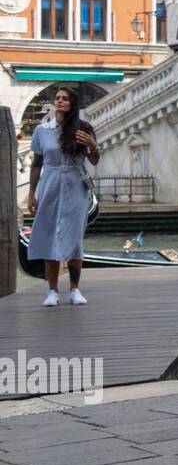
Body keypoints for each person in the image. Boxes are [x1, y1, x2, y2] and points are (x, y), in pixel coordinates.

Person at [26, 85, 99, 307]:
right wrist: (31, 193)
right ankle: (52, 291)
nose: (60, 101)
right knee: (49, 234)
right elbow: (37, 163)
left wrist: (93, 146)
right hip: (50, 184)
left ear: (73, 103)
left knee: (74, 235)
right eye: (57, 98)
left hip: (75, 184)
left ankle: (75, 289)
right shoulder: (42, 130)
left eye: (65, 99)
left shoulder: (84, 128)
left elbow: (94, 160)